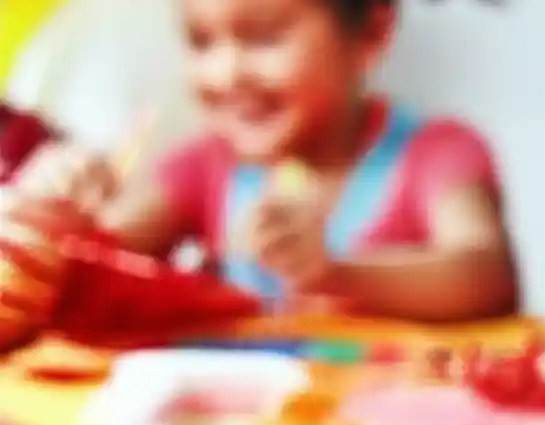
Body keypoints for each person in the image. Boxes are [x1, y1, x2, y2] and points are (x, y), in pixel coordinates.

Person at [1, 0, 518, 323]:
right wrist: (56, 212)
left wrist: (338, 275)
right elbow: (101, 252)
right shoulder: (204, 165)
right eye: (201, 42)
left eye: (265, 38)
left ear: (373, 31)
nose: (228, 74)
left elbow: (486, 274)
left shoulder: (438, 153)